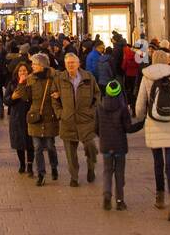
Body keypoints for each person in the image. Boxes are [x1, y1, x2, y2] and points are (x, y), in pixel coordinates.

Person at [134, 49, 170, 221]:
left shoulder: (146, 77)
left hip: (154, 122)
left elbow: (140, 105)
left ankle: (160, 196)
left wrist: (141, 118)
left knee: (158, 162)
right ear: (166, 61)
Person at [53, 52, 100, 187]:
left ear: (78, 63)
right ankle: (74, 177)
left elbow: (97, 95)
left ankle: (91, 168)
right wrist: (60, 113)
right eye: (68, 63)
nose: (70, 65)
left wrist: (92, 111)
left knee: (90, 147)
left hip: (86, 120)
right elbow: (53, 98)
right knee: (70, 153)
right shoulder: (59, 79)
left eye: (73, 63)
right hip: (67, 120)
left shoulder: (88, 77)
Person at [16, 52, 60, 185]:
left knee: (50, 146)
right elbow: (25, 97)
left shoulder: (53, 78)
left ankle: (54, 166)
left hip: (49, 117)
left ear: (42, 65)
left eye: (34, 64)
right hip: (35, 117)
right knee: (37, 147)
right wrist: (21, 84)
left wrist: (58, 94)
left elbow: (60, 91)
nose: (32, 66)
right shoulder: (30, 79)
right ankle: (41, 174)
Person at [96, 79, 139, 210]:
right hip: (119, 146)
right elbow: (128, 128)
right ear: (119, 92)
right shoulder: (123, 108)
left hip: (106, 144)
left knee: (107, 171)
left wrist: (103, 136)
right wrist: (142, 124)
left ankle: (107, 195)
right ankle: (120, 201)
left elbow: (95, 128)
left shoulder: (100, 107)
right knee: (119, 173)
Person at [7, 60, 36, 174]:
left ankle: (30, 164)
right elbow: (6, 100)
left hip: (30, 115)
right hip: (16, 117)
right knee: (18, 142)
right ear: (17, 72)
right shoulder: (12, 83)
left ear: (29, 71)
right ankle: (22, 164)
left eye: (24, 70)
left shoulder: (32, 83)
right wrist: (12, 98)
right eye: (20, 70)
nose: (22, 72)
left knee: (30, 143)